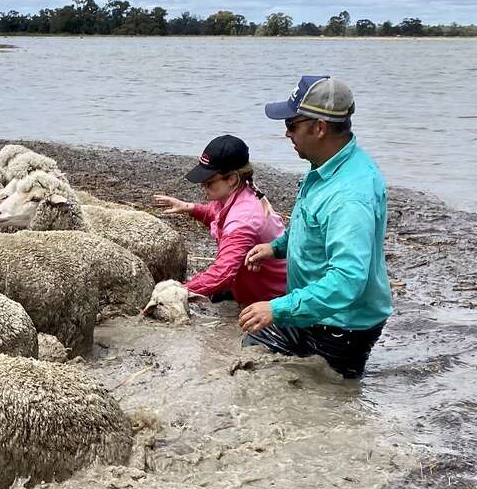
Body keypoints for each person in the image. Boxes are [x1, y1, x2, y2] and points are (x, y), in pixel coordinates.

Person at [238, 75, 392, 379]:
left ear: (319, 128)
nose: (286, 133)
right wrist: (276, 247)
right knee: (254, 358)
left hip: (343, 324)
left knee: (330, 398)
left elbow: (348, 280)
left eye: (292, 125)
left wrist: (277, 309)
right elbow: (311, 224)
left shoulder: (350, 196)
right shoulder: (325, 167)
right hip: (312, 309)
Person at [154, 136, 286, 304]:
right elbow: (218, 214)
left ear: (232, 179)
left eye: (209, 182)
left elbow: (221, 275)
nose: (203, 187)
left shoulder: (243, 220)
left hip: (272, 298)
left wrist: (178, 291)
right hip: (253, 283)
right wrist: (189, 208)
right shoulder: (241, 190)